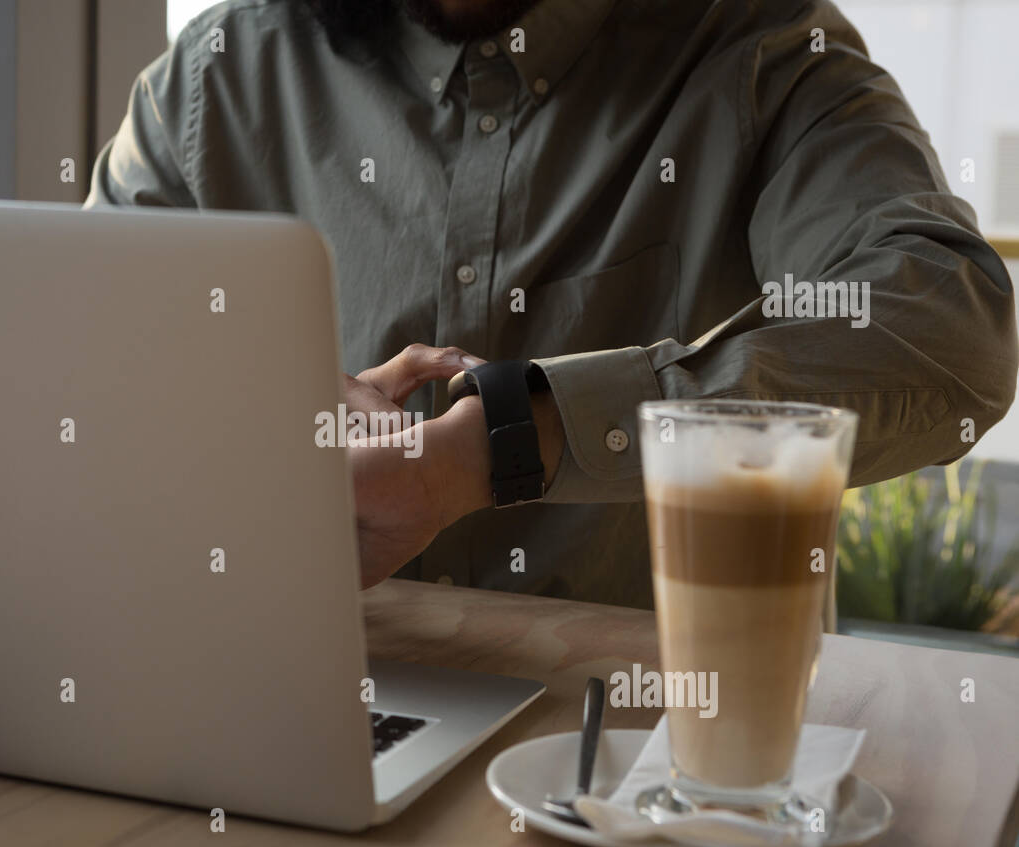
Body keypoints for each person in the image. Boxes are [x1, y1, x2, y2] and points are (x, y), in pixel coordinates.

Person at [86, 0, 1018, 607]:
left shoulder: (762, 50)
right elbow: (80, 387)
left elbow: (952, 327)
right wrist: (267, 414)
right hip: (290, 706)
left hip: (642, 764)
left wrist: (507, 439)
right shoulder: (215, 78)